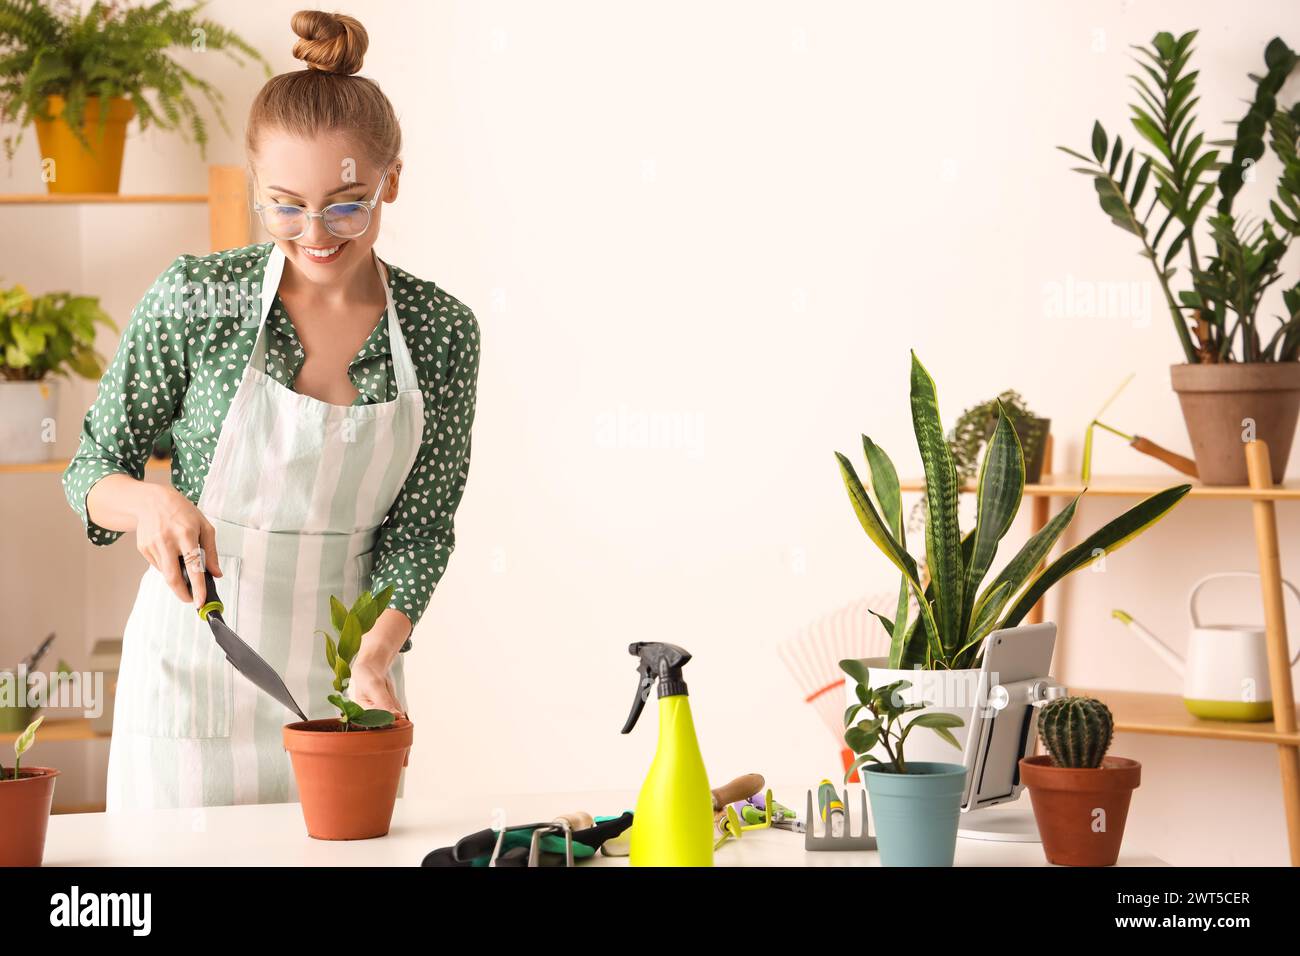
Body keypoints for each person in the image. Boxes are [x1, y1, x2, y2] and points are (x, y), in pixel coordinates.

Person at [61, 10, 479, 811]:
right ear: (256, 190)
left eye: (348, 204)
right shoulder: (197, 299)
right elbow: (91, 470)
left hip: (346, 687)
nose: (315, 235)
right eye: (285, 206)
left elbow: (422, 527)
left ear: (393, 178)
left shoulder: (440, 331)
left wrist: (376, 661)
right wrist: (149, 501)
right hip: (190, 681)